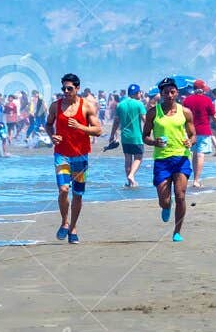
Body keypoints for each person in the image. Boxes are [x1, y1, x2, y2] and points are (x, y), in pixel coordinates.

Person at [46, 72, 102, 244]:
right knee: (63, 189)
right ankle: (64, 222)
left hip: (80, 156)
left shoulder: (86, 106)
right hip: (61, 154)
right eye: (63, 88)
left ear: (77, 88)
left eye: (69, 88)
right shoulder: (56, 106)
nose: (66, 91)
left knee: (77, 194)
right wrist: (52, 136)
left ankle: (74, 227)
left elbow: (98, 130)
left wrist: (80, 126)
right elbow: (48, 124)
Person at [143, 77, 195, 242]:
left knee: (180, 195)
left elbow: (194, 135)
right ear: (161, 94)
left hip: (181, 158)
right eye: (166, 92)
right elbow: (145, 137)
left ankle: (177, 231)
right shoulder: (153, 112)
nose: (170, 95)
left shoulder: (185, 112)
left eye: (172, 92)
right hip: (162, 160)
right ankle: (166, 206)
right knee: (164, 201)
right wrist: (154, 142)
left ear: (177, 93)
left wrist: (190, 141)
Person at [109, 83, 147, 187]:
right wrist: (150, 132)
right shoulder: (139, 104)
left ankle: (130, 182)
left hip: (125, 137)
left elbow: (116, 122)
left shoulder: (120, 105)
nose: (141, 94)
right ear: (136, 93)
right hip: (137, 136)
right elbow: (145, 120)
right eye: (140, 92)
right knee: (138, 157)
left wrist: (112, 135)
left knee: (128, 158)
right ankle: (131, 175)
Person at [182, 79, 216, 188]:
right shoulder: (207, 100)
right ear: (202, 90)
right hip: (203, 130)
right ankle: (196, 180)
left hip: (190, 131)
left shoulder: (187, 100)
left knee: (194, 153)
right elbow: (214, 116)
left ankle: (193, 178)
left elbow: (183, 115)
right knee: (200, 154)